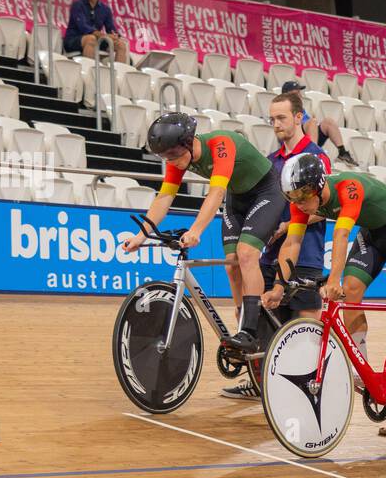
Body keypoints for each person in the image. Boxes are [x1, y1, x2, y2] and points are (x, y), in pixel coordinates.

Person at [266, 156, 386, 411]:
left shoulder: (348, 188)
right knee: (350, 291)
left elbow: (341, 233)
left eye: (302, 197)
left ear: (318, 186)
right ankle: (362, 369)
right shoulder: (301, 203)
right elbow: (292, 243)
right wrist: (279, 287)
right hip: (372, 234)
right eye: (292, 198)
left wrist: (332, 280)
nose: (299, 204)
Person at [121, 113, 286, 353]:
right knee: (232, 264)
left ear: (188, 143)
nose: (173, 163)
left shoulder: (221, 144)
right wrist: (141, 235)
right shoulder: (177, 156)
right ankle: (243, 321)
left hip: (267, 192)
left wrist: (196, 230)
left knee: (246, 254)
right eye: (166, 158)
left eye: (174, 157)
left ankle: (250, 332)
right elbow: (164, 197)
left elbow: (216, 193)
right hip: (238, 197)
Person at [221, 92, 329, 400]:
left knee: (306, 327)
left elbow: (324, 207)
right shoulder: (270, 161)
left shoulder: (316, 156)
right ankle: (259, 384)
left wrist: (286, 226)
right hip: (270, 256)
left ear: (298, 117)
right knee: (267, 325)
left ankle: (312, 389)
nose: (276, 124)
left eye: (281, 118)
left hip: (306, 254)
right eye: (272, 119)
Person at [279, 80, 357, 167]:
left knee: (328, 122)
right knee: (312, 122)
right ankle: (313, 155)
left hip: (306, 138)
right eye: (295, 94)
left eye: (299, 93)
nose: (299, 96)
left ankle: (342, 153)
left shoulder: (300, 109)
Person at [64, 0, 129, 62]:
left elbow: (111, 28)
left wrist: (115, 36)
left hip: (96, 39)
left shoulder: (105, 9)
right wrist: (103, 35)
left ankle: (119, 70)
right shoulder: (78, 5)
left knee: (121, 45)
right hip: (73, 40)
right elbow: (83, 27)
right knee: (91, 39)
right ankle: (89, 70)